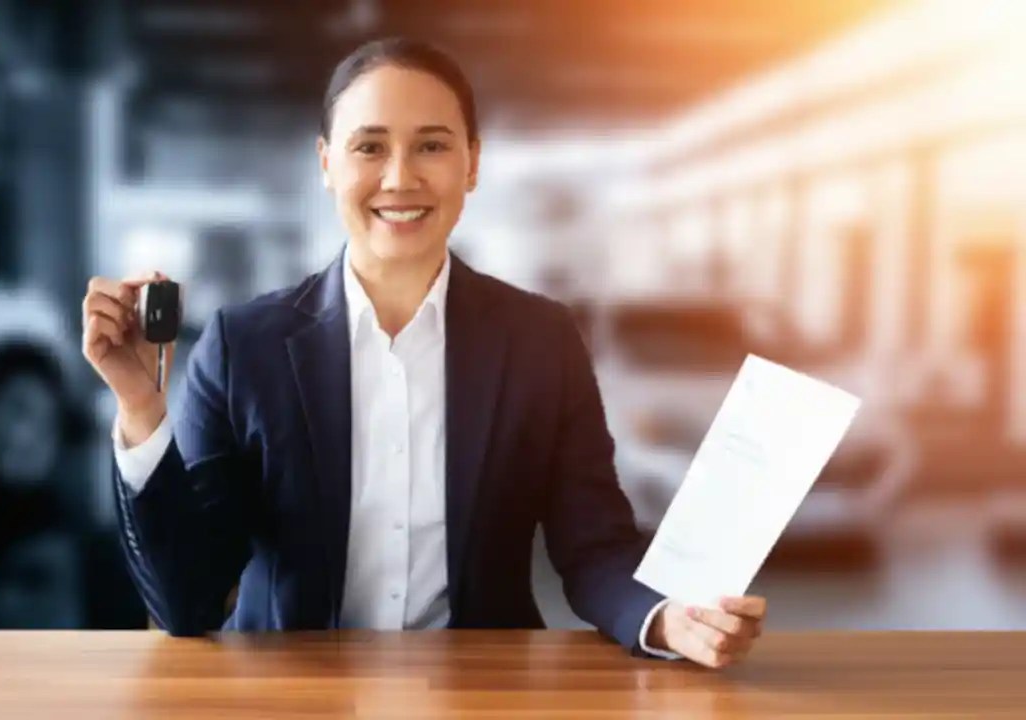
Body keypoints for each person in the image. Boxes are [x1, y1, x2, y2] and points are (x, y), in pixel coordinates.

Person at [82, 37, 766, 668]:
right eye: (369, 147)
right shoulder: (243, 349)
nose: (400, 177)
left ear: (472, 164)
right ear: (326, 163)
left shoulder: (541, 341)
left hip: (483, 690)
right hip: (293, 694)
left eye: (432, 146)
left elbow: (595, 549)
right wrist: (140, 407)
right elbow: (188, 600)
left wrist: (665, 619)